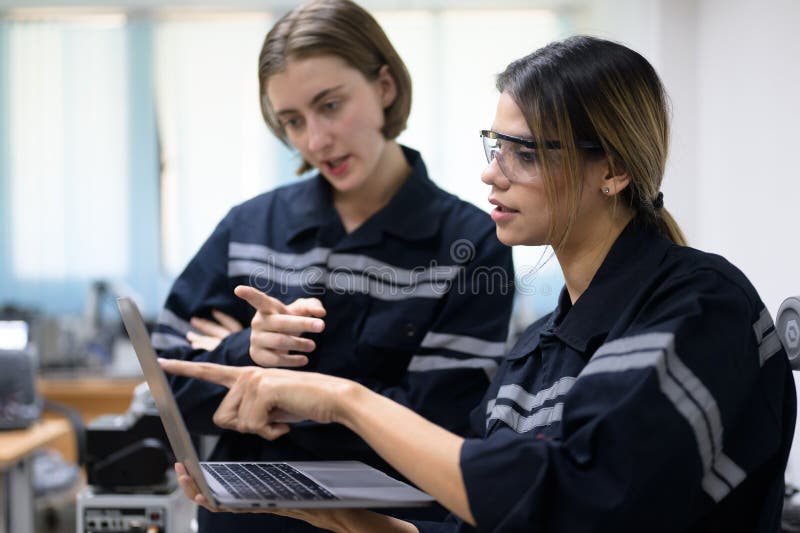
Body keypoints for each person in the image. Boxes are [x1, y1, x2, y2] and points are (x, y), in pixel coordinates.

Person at [160, 35, 797, 532]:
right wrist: (333, 516)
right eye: (494, 145)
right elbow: (492, 516)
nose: (492, 174)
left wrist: (340, 398)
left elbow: (568, 501)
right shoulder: (538, 352)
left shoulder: (699, 303)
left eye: (524, 152)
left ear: (616, 169)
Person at [152, 0, 514, 531]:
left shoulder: (471, 242)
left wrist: (263, 388)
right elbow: (167, 384)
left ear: (385, 88)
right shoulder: (249, 226)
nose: (314, 141)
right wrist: (246, 350)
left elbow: (440, 424)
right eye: (292, 121)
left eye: (330, 106)